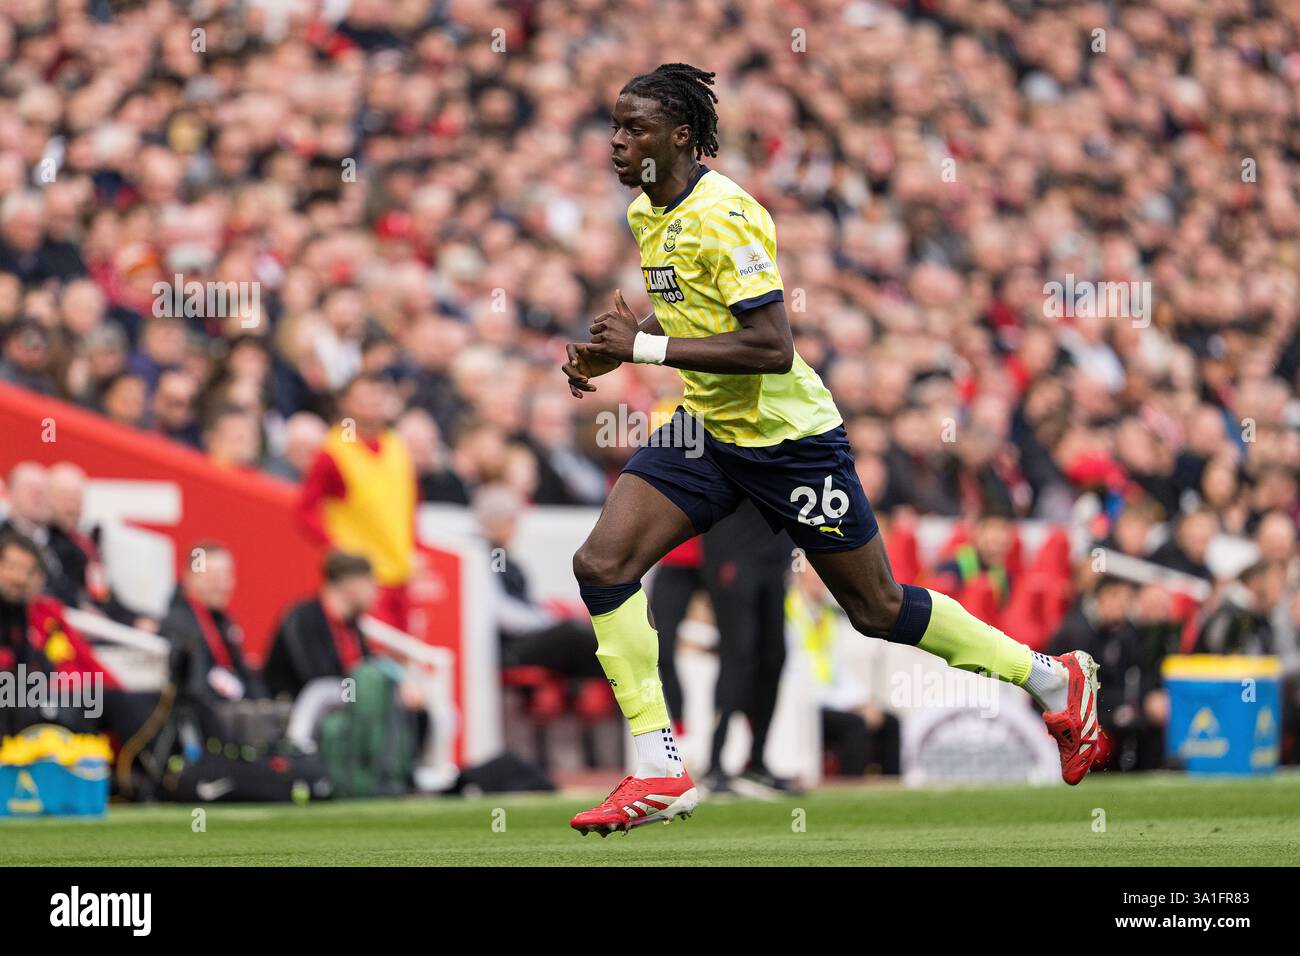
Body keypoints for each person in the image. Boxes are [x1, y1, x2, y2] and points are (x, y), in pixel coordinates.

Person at [561, 64, 1100, 835]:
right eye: (614, 126)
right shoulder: (648, 210)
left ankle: (1051, 679)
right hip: (707, 428)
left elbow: (771, 346)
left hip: (789, 441)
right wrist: (620, 352)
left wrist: (643, 348)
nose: (617, 142)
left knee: (877, 609)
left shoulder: (727, 213)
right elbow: (698, 311)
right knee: (601, 564)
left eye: (634, 128)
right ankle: (659, 768)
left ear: (681, 136)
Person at [298, 373, 417, 630]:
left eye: (377, 396)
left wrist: (416, 546)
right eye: (362, 398)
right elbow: (306, 509)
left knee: (404, 647)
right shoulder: (334, 450)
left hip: (400, 573)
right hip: (362, 578)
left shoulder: (396, 444)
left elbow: (410, 502)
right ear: (345, 403)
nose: (371, 404)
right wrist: (337, 549)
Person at [159, 540, 265, 740]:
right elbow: (197, 691)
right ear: (188, 577)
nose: (222, 585)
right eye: (212, 577)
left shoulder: (222, 622)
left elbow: (241, 674)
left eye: (227, 576)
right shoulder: (180, 624)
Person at [263, 550, 376, 699]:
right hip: (295, 708)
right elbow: (319, 680)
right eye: (370, 582)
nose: (375, 591)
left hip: (336, 705)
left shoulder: (351, 626)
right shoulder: (304, 619)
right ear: (350, 584)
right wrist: (358, 692)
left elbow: (364, 671)